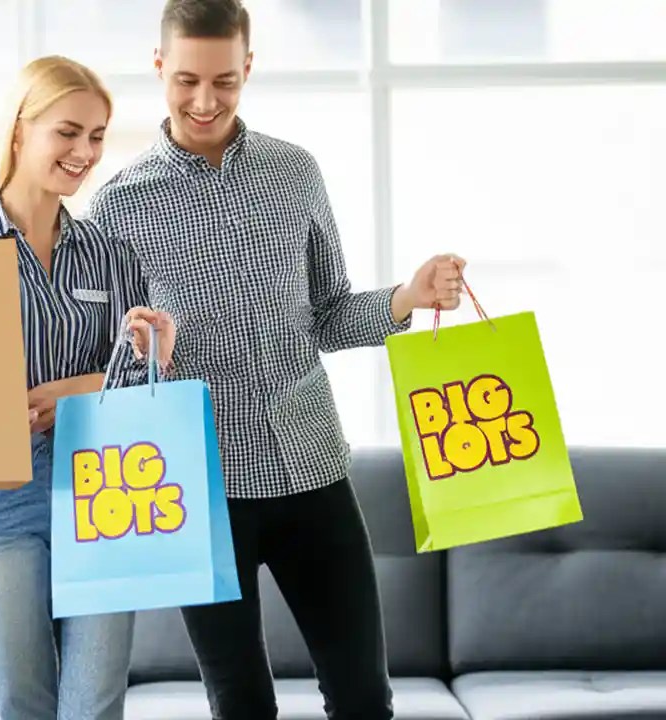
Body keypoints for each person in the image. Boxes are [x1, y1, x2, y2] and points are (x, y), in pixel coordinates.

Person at [85, 1, 467, 718]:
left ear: (249, 68)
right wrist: (147, 357)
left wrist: (407, 296)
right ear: (159, 67)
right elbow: (117, 377)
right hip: (203, 489)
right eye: (187, 80)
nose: (206, 100)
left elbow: (328, 315)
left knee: (364, 697)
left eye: (225, 81)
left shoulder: (295, 173)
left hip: (312, 470)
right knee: (241, 705)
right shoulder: (117, 209)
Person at [0, 55, 175, 720]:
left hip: (105, 488)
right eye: (68, 132)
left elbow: (138, 382)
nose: (85, 153)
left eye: (97, 136)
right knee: (25, 703)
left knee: (95, 705)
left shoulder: (109, 253)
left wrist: (93, 382)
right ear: (21, 129)